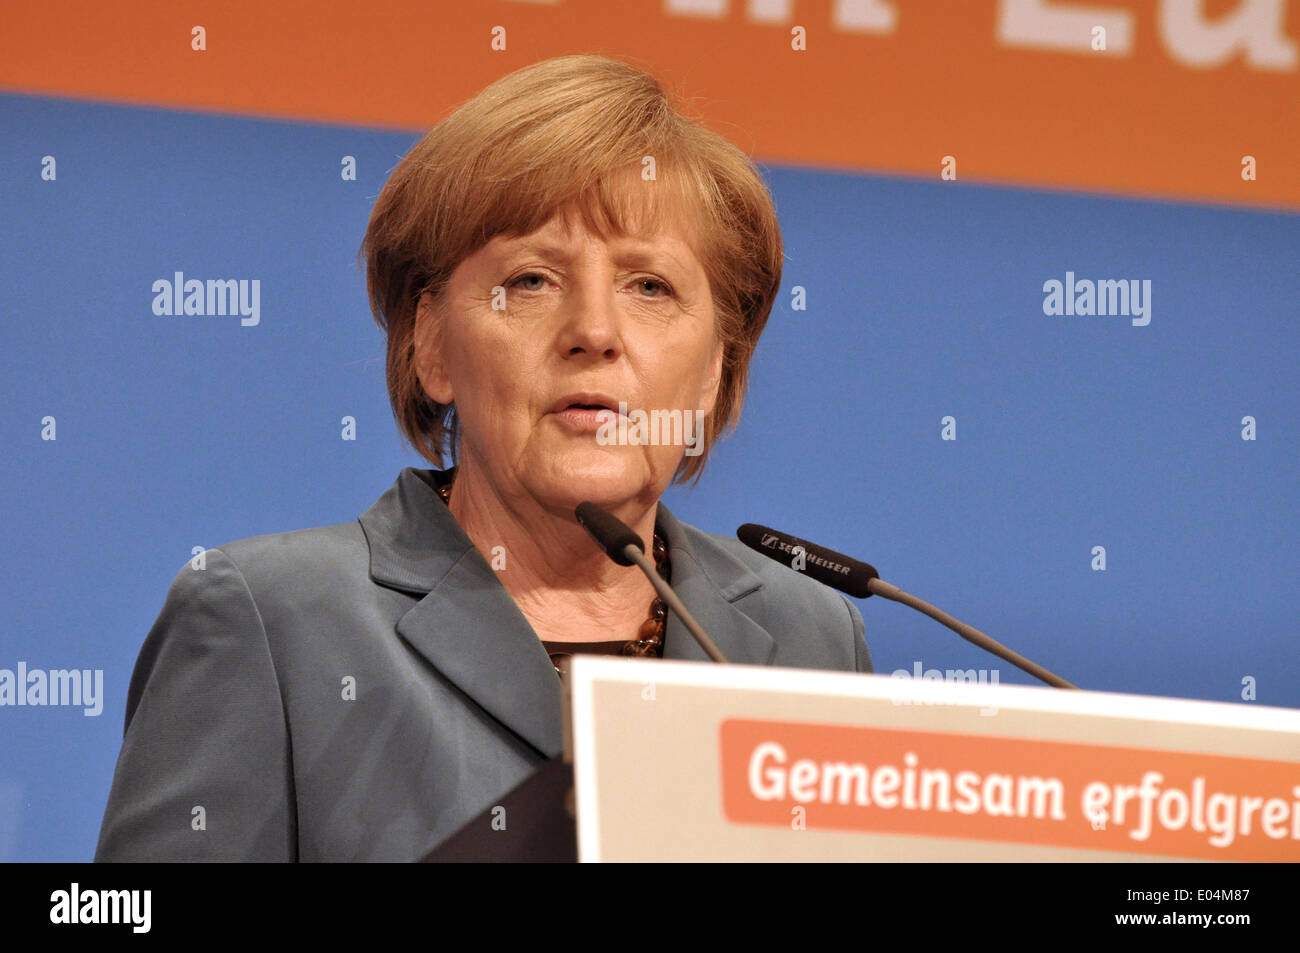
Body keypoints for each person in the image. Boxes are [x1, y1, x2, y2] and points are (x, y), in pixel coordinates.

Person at [94, 54, 872, 862]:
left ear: (715, 369)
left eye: (650, 287)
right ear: (430, 345)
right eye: (531, 281)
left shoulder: (809, 637)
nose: (594, 331)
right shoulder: (275, 620)